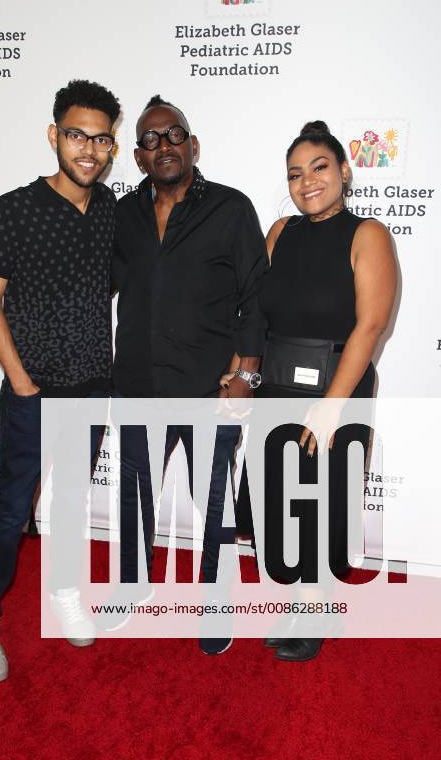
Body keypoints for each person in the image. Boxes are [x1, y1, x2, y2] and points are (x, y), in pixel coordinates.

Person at [222, 120, 397, 661]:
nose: (307, 182)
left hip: (337, 387)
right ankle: (301, 601)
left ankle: (317, 609)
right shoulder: (279, 232)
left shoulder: (368, 234)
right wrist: (240, 376)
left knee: (322, 505)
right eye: (295, 174)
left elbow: (369, 327)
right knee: (282, 505)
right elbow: (255, 316)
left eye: (319, 168)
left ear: (344, 171)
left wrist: (330, 409)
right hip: (277, 386)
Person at [0, 79, 120, 683]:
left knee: (75, 505)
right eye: (78, 134)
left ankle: (64, 594)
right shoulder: (17, 207)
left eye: (102, 139)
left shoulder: (110, 209)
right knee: (11, 508)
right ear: (55, 135)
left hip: (91, 384)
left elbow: (102, 284)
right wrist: (23, 382)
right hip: (32, 390)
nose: (89, 149)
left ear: (111, 148)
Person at [110, 95, 267, 654]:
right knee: (134, 497)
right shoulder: (121, 217)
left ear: (193, 145)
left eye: (174, 134)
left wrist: (246, 376)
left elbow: (256, 298)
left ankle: (215, 605)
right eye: (151, 139)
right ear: (138, 156)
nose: (164, 145)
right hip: (137, 388)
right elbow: (93, 287)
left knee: (215, 507)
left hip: (208, 391)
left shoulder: (230, 209)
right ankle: (133, 586)